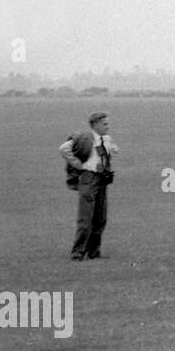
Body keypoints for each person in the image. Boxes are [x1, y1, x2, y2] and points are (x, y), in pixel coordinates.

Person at [61, 111, 118, 259]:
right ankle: (77, 253)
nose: (108, 126)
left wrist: (113, 149)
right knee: (85, 218)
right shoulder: (84, 138)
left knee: (100, 218)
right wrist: (76, 163)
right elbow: (64, 148)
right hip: (88, 178)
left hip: (103, 178)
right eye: (105, 124)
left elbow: (108, 152)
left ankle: (94, 252)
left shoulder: (106, 139)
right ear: (95, 125)